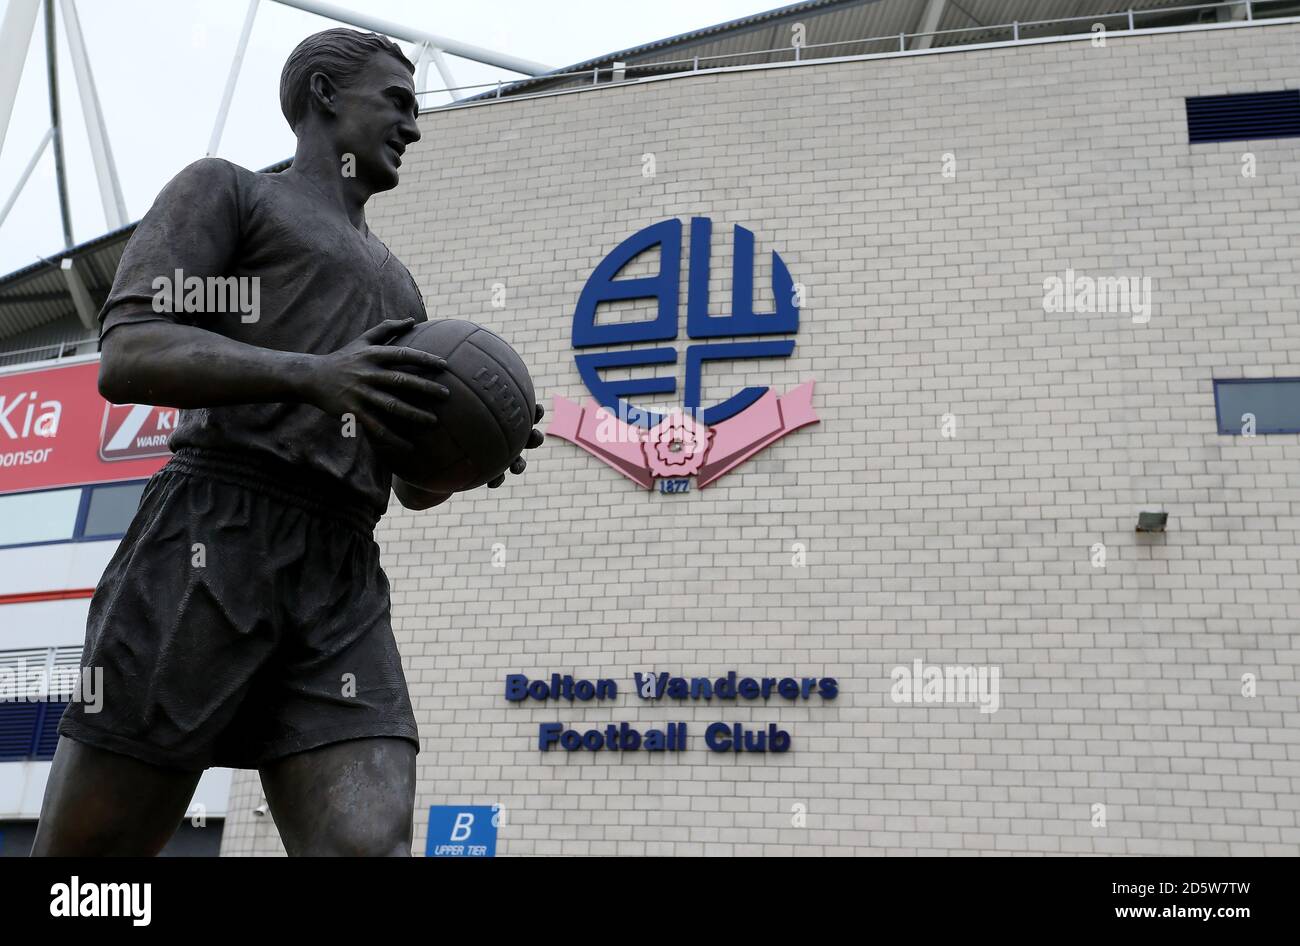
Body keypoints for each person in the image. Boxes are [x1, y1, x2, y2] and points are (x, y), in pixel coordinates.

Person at [30, 28, 542, 856]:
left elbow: (408, 484)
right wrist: (312, 375)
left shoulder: (400, 284)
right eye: (397, 103)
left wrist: (466, 454)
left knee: (367, 842)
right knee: (92, 862)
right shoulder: (231, 193)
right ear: (323, 97)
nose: (413, 127)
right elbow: (128, 352)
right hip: (212, 536)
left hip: (339, 570)